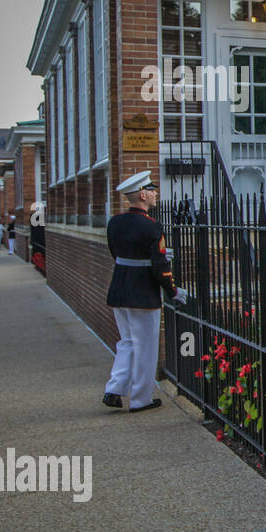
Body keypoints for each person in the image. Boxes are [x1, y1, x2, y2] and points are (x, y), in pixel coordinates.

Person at [103, 171, 186, 413]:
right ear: (142, 194)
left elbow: (116, 254)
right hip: (143, 295)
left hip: (119, 289)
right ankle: (141, 399)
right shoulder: (152, 226)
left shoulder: (114, 222)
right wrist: (172, 291)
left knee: (127, 342)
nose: (155, 193)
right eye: (152, 190)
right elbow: (160, 268)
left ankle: (115, 389)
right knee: (146, 348)